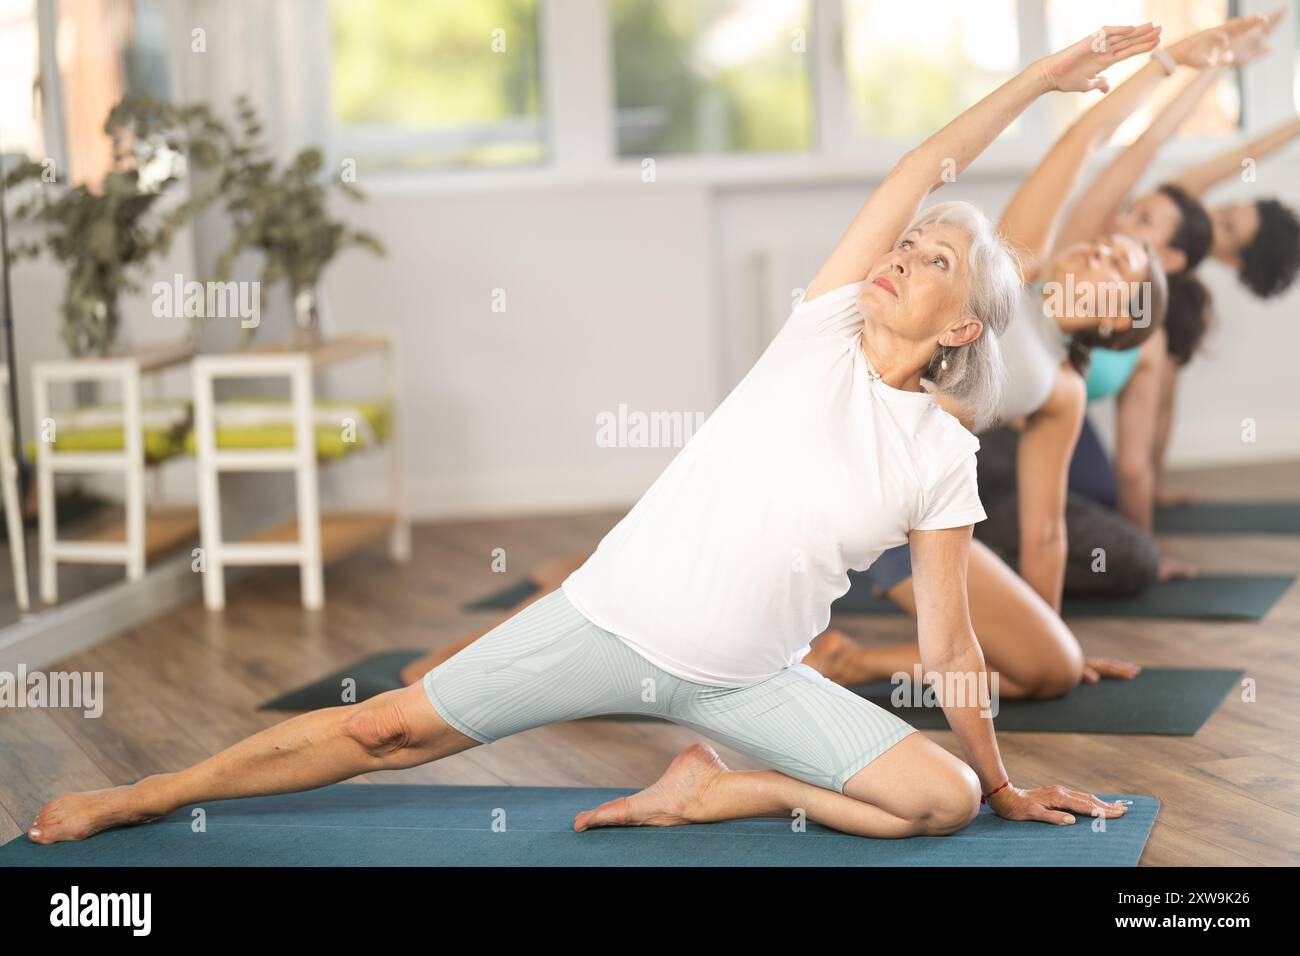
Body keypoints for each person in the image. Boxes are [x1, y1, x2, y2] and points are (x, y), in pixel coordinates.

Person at [27, 23, 1163, 845]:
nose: (903, 252)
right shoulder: (818, 330)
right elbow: (921, 163)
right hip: (607, 620)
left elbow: (953, 647)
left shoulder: (939, 453)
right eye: (905, 240)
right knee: (384, 731)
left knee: (938, 800)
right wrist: (1045, 76)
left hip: (747, 681)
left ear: (961, 322)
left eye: (933, 258)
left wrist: (1002, 783)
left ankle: (721, 788)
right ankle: (154, 793)